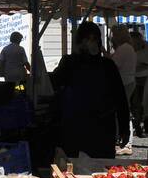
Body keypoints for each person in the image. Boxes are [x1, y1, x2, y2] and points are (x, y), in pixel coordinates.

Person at [51, 20, 131, 160]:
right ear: (80, 42)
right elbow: (54, 85)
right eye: (87, 39)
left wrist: (124, 128)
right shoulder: (69, 63)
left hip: (102, 129)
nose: (91, 43)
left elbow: (120, 98)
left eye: (94, 39)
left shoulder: (108, 65)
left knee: (102, 168)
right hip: (75, 129)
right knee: (74, 167)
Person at [109, 26, 137, 147]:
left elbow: (113, 65)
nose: (112, 38)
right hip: (128, 81)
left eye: (114, 35)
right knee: (124, 109)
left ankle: (125, 140)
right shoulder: (128, 48)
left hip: (124, 82)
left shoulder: (124, 48)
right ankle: (122, 137)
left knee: (123, 110)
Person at [129, 27, 148, 136]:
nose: (136, 45)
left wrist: (136, 67)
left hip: (145, 78)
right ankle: (137, 123)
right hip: (133, 79)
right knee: (135, 103)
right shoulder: (129, 49)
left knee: (144, 102)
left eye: (137, 43)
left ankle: (143, 123)